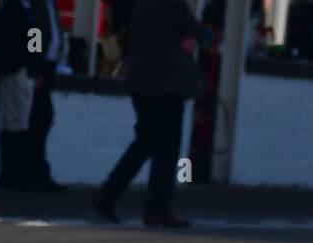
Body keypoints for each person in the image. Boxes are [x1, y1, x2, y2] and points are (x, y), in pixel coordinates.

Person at [90, 0, 200, 226]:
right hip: (165, 83)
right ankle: (157, 207)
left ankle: (109, 193)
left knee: (145, 141)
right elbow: (191, 27)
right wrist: (197, 37)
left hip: (141, 80)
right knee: (166, 147)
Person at [0, 0, 38, 189]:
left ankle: (14, 172)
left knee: (18, 120)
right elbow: (31, 38)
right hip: (16, 69)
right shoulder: (16, 10)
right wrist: (32, 64)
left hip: (20, 69)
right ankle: (11, 173)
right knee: (16, 120)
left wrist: (35, 66)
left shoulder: (25, 9)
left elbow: (35, 39)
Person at [26, 0, 67, 191]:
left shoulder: (50, 4)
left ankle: (39, 170)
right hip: (41, 67)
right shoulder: (38, 4)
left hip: (49, 66)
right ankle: (36, 171)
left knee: (44, 118)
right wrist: (35, 68)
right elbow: (34, 33)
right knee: (40, 117)